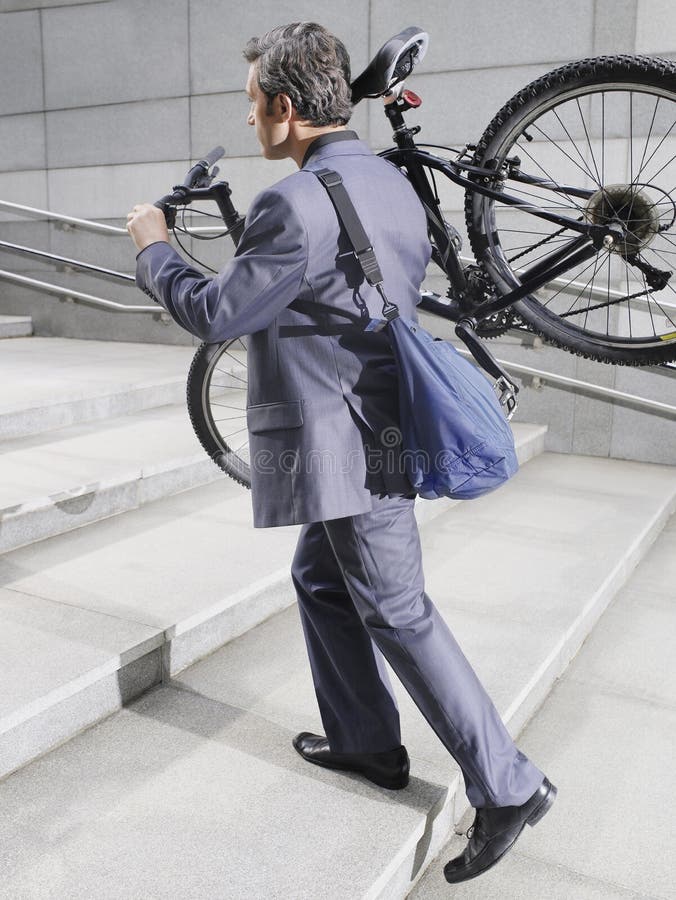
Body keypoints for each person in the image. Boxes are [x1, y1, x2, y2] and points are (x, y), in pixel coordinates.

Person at [126, 21, 556, 885]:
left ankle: (508, 785)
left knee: (398, 610)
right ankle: (366, 741)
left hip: (350, 443)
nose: (248, 119)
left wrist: (155, 251)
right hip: (371, 421)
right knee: (320, 580)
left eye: (252, 104)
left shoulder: (296, 201)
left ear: (285, 109)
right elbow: (323, 283)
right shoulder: (379, 177)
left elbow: (219, 314)